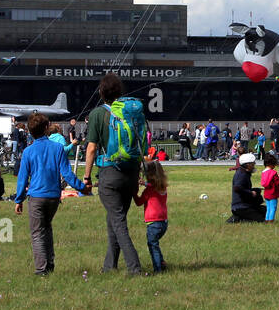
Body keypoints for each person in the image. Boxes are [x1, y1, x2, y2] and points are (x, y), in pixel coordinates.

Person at [84, 74, 145, 274]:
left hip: (110, 173)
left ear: (101, 93)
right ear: (120, 93)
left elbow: (92, 148)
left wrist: (86, 176)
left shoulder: (97, 114)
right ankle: (109, 267)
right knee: (114, 219)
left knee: (118, 223)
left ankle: (134, 267)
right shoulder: (128, 112)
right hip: (131, 172)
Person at [14, 113, 85, 276]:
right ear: (46, 128)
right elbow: (67, 174)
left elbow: (23, 179)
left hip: (36, 196)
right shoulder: (58, 148)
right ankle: (50, 262)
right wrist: (81, 187)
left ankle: (41, 269)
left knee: (37, 232)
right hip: (54, 196)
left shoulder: (28, 151)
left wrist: (19, 200)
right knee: (47, 228)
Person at [133, 160, 169, 272]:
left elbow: (139, 202)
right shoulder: (163, 187)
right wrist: (144, 184)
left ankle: (158, 269)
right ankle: (161, 262)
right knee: (155, 244)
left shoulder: (149, 190)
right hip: (164, 222)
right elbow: (151, 185)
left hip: (153, 223)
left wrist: (134, 192)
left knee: (152, 245)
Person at [228, 153, 266, 222]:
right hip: (241, 207)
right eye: (253, 163)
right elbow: (237, 188)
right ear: (247, 165)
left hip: (246, 205)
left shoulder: (245, 172)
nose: (254, 164)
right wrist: (251, 192)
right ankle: (237, 219)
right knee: (261, 220)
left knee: (265, 210)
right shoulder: (241, 174)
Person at [260, 152, 279, 221]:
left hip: (266, 192)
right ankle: (271, 220)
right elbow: (277, 182)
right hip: (273, 192)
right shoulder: (273, 172)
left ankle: (267, 219)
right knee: (273, 208)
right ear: (272, 164)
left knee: (268, 208)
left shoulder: (263, 172)